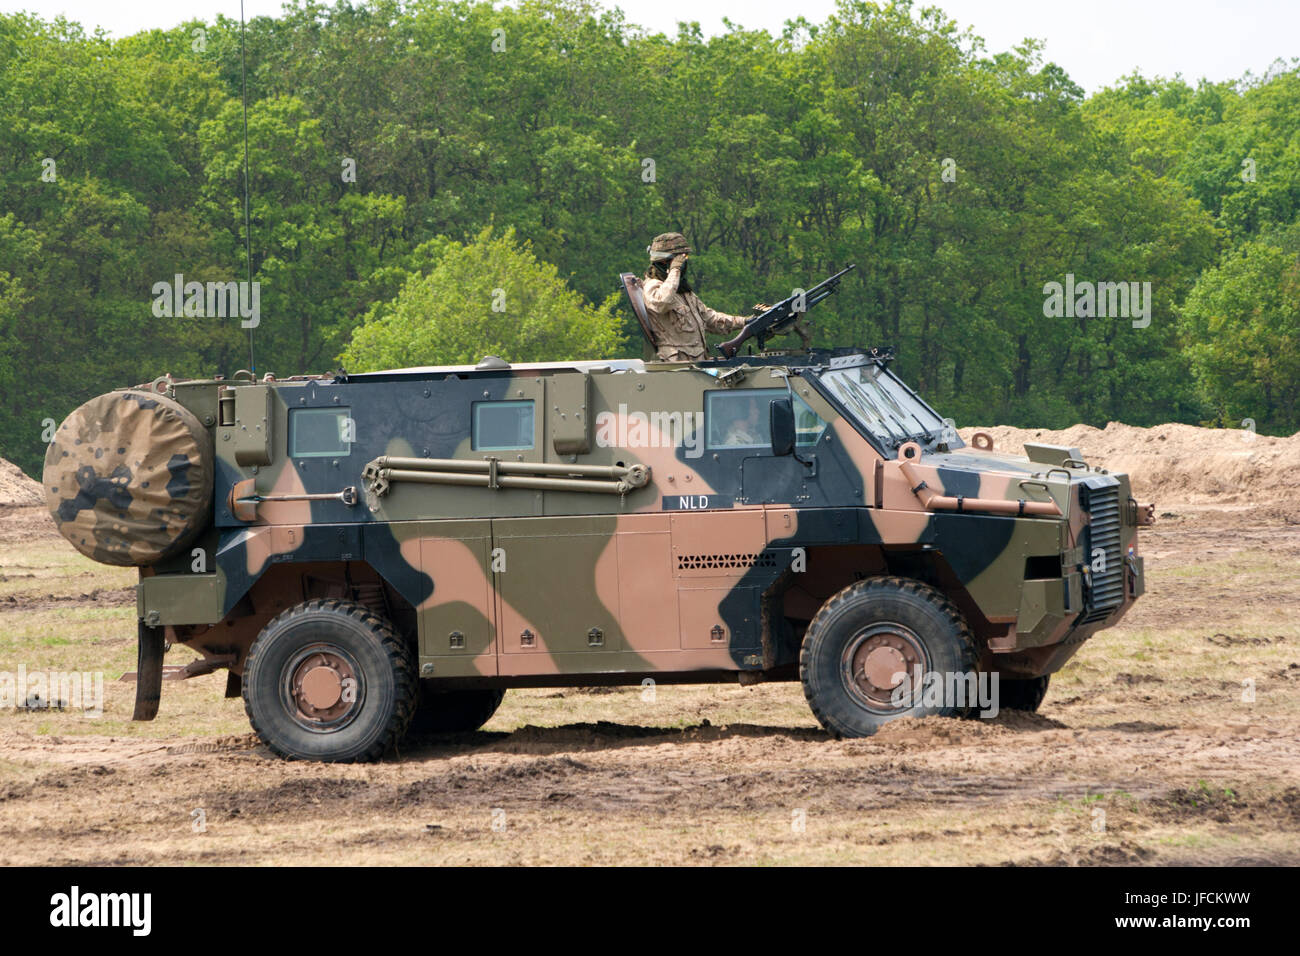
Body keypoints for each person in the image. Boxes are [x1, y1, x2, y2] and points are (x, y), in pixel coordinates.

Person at [641, 233, 762, 362]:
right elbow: (661, 303)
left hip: (696, 363)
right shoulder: (653, 286)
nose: (683, 263)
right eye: (680, 258)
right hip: (676, 366)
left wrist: (744, 322)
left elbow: (710, 319)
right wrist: (675, 270)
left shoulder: (682, 292)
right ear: (665, 262)